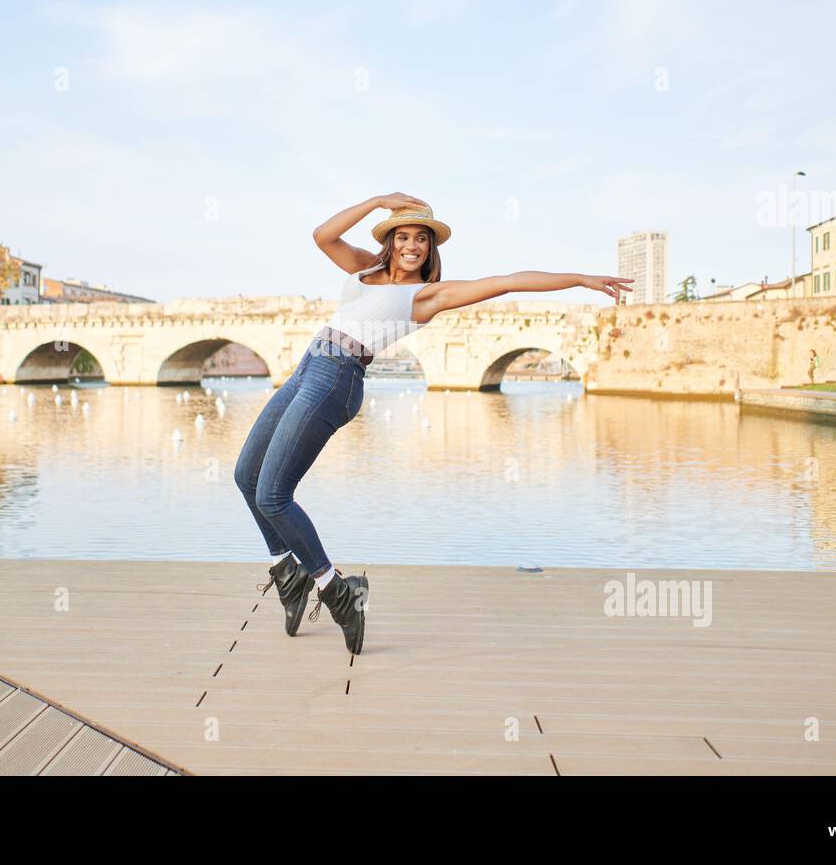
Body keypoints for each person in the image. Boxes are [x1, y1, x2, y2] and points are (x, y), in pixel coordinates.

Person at [234, 193, 633, 654]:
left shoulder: (424, 296)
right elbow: (323, 236)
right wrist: (378, 201)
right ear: (390, 241)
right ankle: (288, 571)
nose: (411, 246)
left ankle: (335, 589)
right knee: (247, 476)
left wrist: (580, 279)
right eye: (403, 236)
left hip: (337, 378)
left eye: (421, 239)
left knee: (273, 495)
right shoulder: (365, 269)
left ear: (431, 248)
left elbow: (506, 282)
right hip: (308, 365)